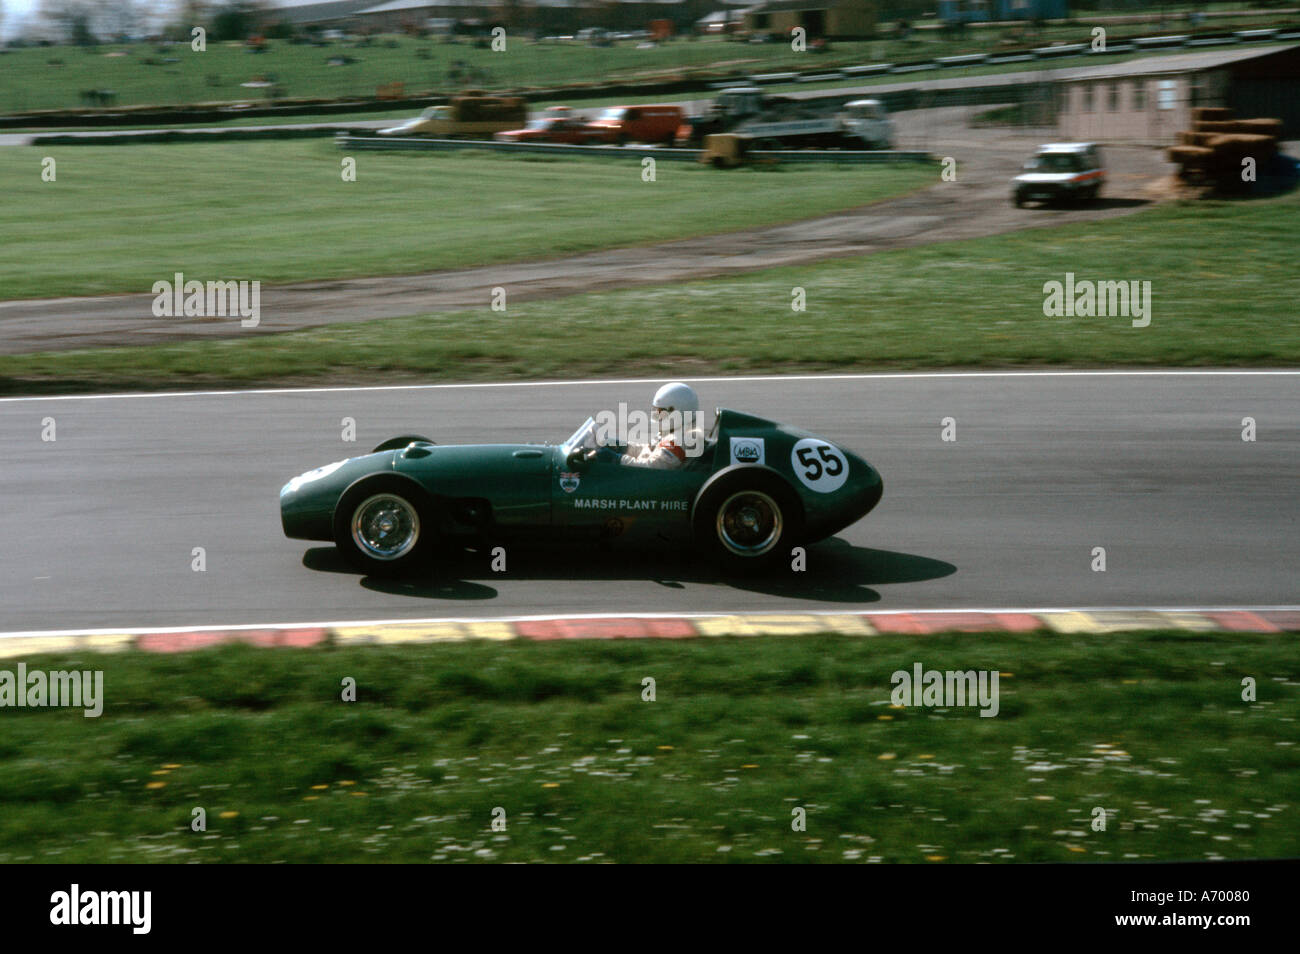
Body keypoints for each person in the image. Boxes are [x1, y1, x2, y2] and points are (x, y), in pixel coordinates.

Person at [586, 382, 700, 469]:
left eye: (661, 412)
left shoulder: (679, 440)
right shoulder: (673, 432)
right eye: (656, 411)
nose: (657, 415)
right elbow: (649, 450)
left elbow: (651, 468)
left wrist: (617, 459)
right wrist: (621, 446)